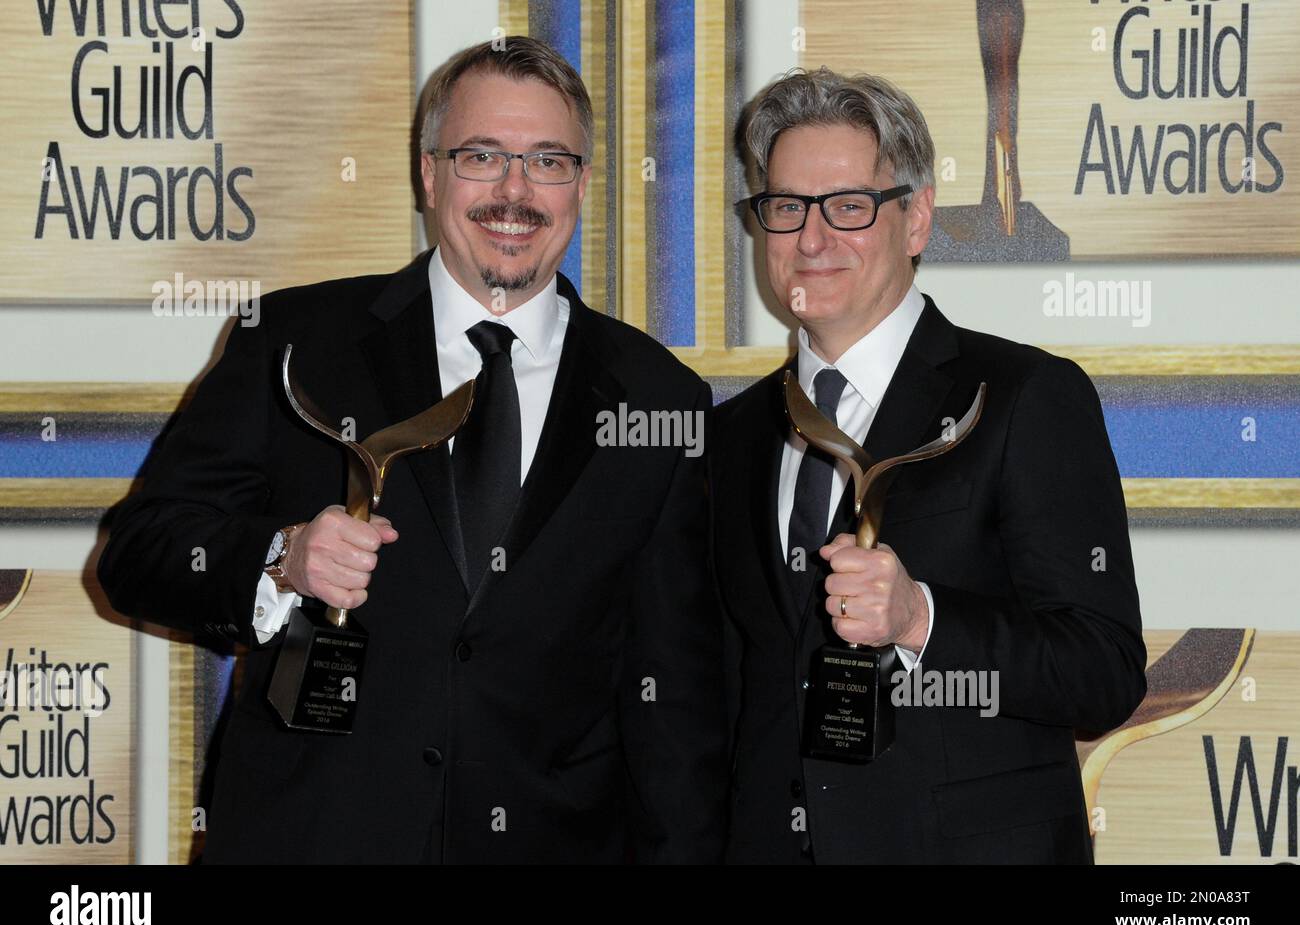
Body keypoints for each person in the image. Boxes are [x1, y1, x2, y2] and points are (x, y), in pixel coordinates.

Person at [98, 36, 728, 864]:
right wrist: (281, 558)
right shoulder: (295, 344)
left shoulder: (658, 397)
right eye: (481, 155)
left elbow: (674, 704)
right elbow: (136, 555)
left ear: (581, 182)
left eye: (547, 159)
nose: (514, 190)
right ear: (429, 174)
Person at [711, 67, 1146, 864]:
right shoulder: (729, 437)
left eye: (848, 206)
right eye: (786, 208)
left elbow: (1105, 673)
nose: (812, 239)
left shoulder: (1025, 397)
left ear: (915, 219)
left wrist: (922, 619)